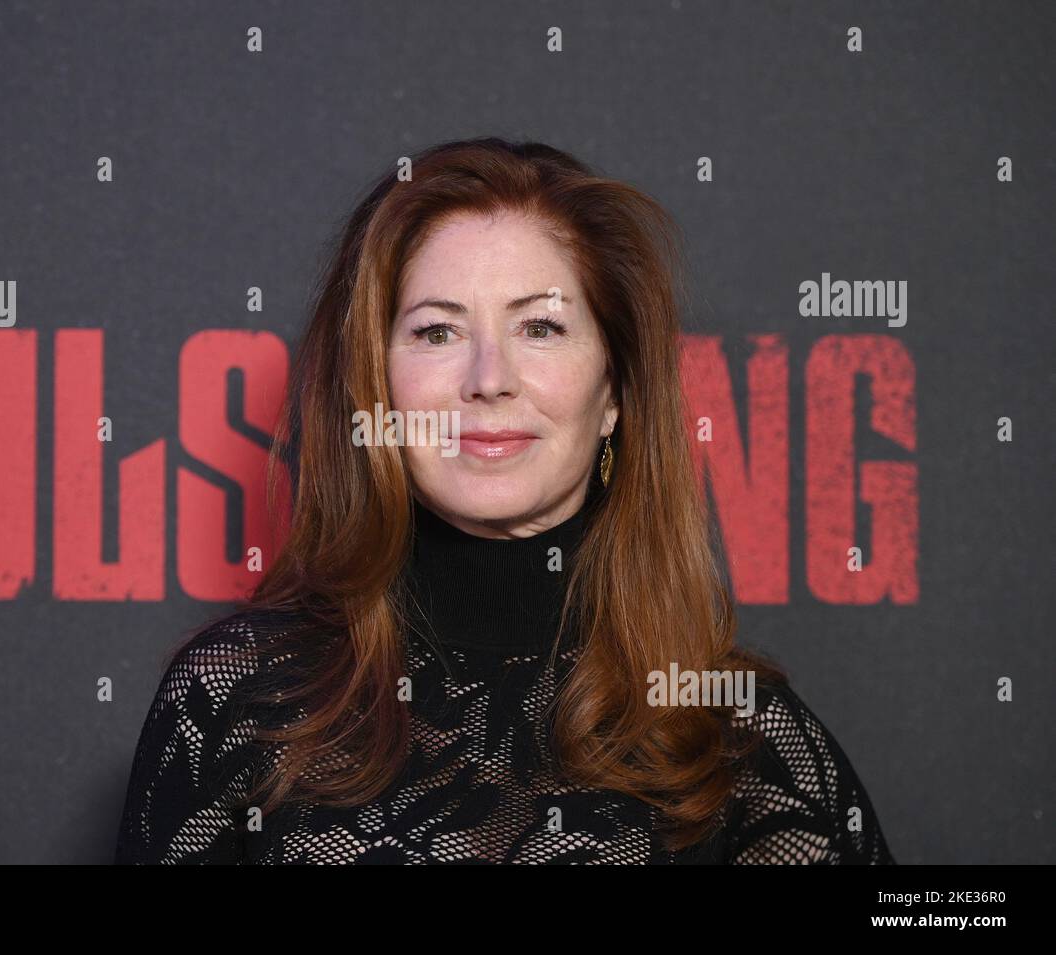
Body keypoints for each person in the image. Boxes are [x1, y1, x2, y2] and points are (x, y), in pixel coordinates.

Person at [114, 137, 895, 864]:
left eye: (542, 327)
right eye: (436, 333)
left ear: (615, 388)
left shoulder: (740, 738)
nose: (489, 377)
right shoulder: (239, 701)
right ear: (374, 384)